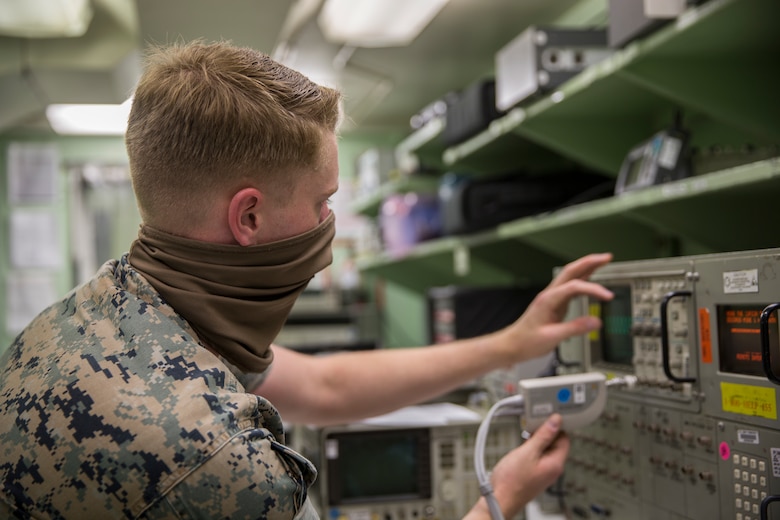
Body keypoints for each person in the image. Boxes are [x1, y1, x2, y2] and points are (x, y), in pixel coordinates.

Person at [0, 40, 613, 520]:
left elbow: (325, 386)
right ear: (250, 216)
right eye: (324, 201)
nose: (329, 223)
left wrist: (513, 342)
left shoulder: (93, 314)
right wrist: (499, 497)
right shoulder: (219, 462)